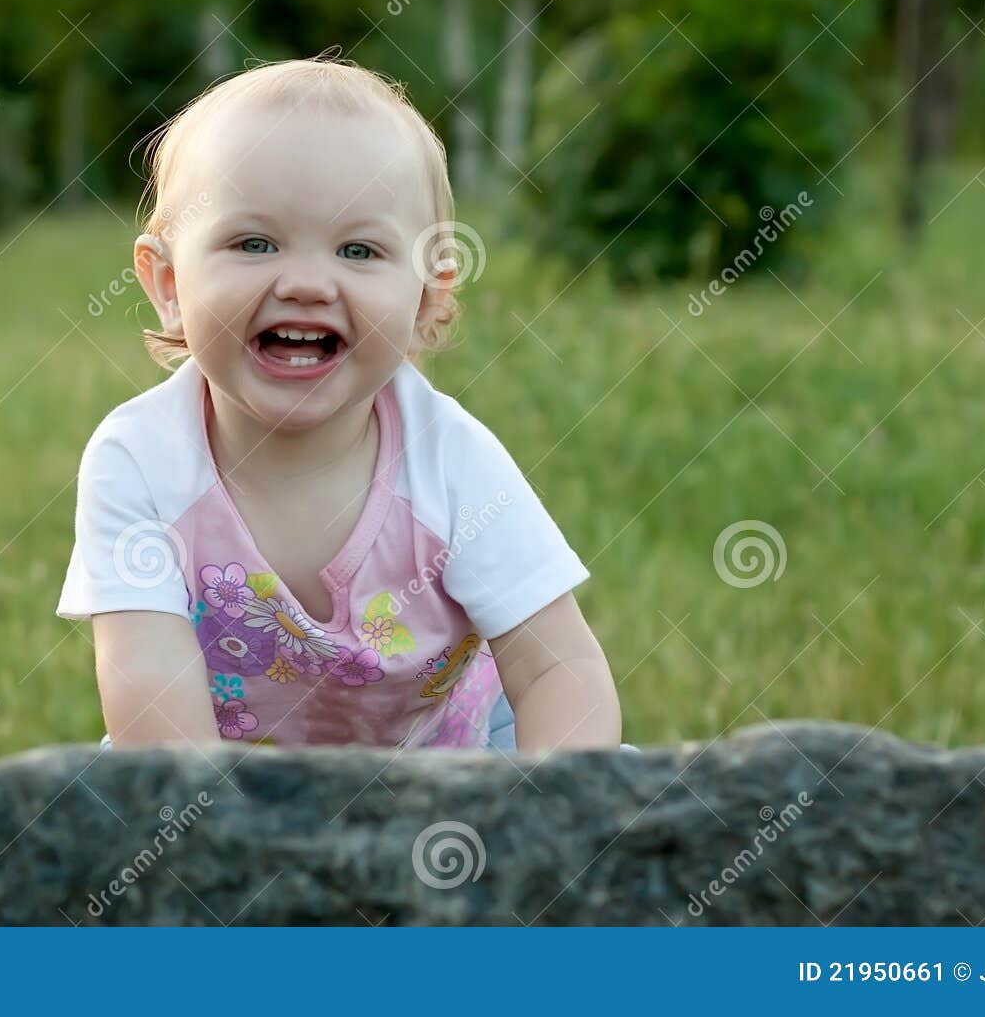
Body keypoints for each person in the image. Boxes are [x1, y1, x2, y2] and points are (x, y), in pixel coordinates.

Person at [57, 56, 630, 755]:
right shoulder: (141, 461)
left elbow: (555, 668)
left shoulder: (449, 460)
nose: (305, 283)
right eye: (254, 243)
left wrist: (548, 818)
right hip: (225, 785)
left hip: (451, 765)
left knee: (608, 773)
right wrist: (212, 841)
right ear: (170, 282)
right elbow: (148, 690)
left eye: (358, 250)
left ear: (426, 296)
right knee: (83, 801)